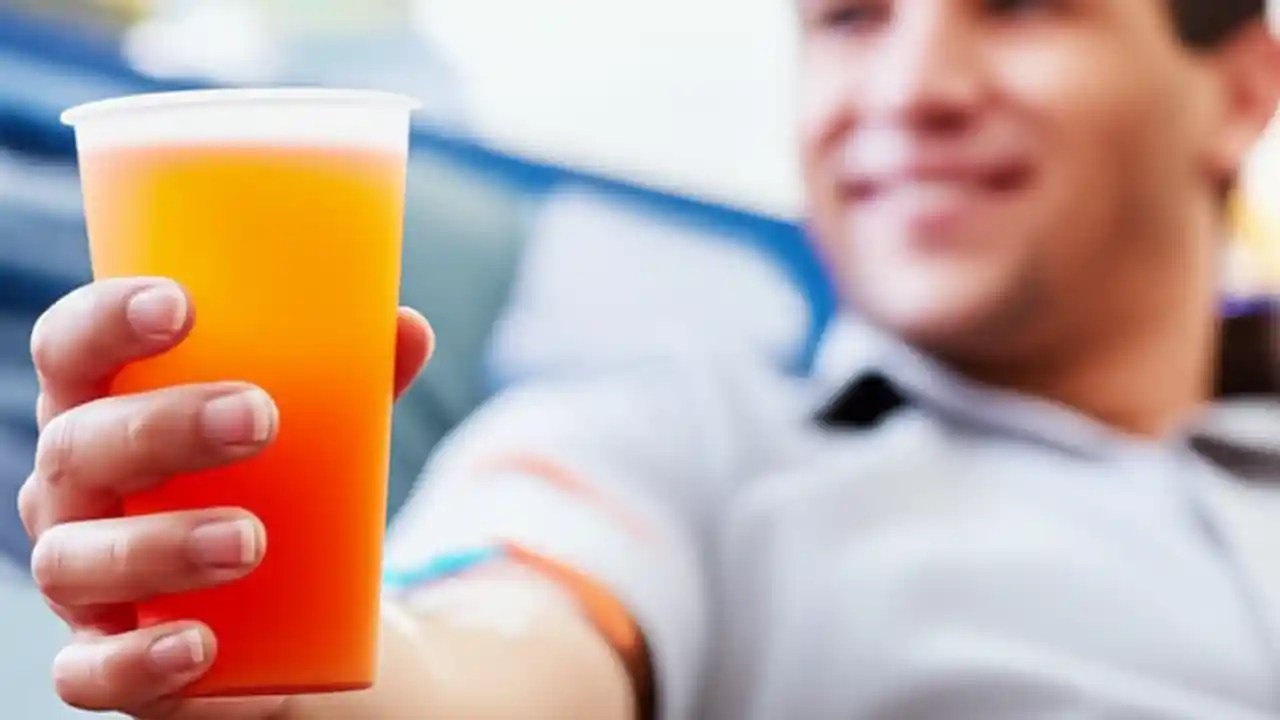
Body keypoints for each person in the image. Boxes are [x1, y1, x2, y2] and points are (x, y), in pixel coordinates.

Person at [17, 0, 1280, 718]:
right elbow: (501, 645)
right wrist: (310, 690)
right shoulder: (670, 444)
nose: (909, 86)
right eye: (846, 20)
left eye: (1015, 6)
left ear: (1236, 89)